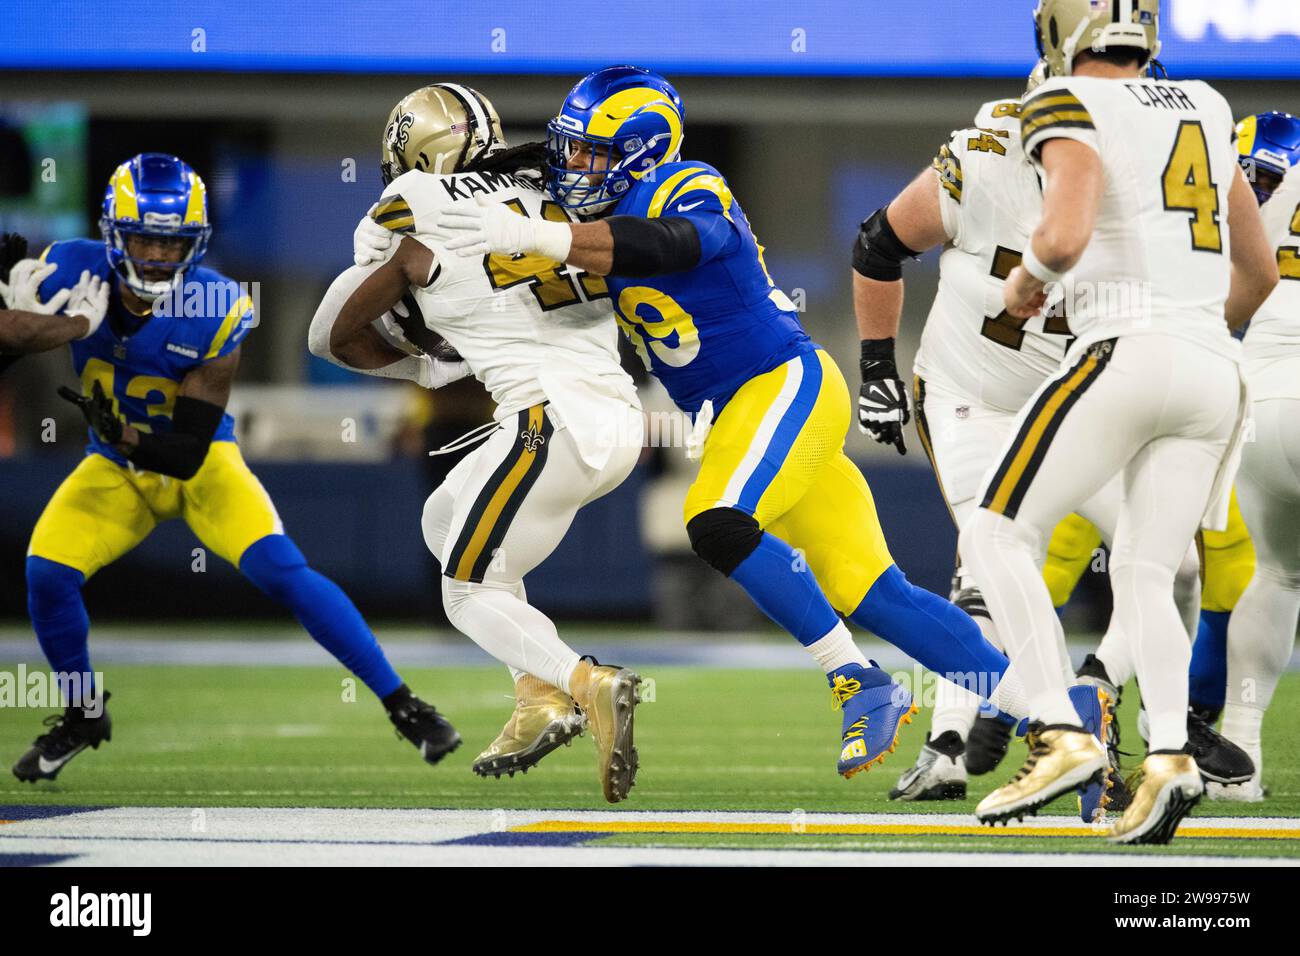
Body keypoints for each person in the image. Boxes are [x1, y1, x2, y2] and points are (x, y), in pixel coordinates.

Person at [432, 65, 1111, 781]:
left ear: (640, 150)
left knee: (717, 521)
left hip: (786, 383)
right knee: (876, 593)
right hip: (737, 412)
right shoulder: (585, 203)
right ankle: (1060, 719)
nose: (574, 166)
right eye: (571, 149)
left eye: (591, 152)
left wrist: (539, 237)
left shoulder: (685, 183)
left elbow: (671, 245)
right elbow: (530, 175)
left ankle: (858, 680)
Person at [9, 153, 460, 784]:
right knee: (46, 575)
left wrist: (127, 434)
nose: (156, 258)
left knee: (283, 572)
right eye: (142, 239)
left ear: (194, 247)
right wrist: (55, 326)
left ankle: (403, 704)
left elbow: (188, 450)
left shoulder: (213, 304)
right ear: (112, 234)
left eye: (171, 245)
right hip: (114, 465)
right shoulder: (72, 269)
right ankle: (84, 714)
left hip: (198, 467)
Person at [959, 0, 1279, 843]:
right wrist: (1195, 327)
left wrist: (1027, 281)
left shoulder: (1062, 99)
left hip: (1125, 347)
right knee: (1145, 570)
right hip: (1215, 366)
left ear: (1059, 33)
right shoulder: (1209, 104)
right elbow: (1256, 270)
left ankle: (1062, 732)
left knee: (995, 531)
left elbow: (1063, 235)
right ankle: (1171, 756)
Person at [320, 84, 646, 803]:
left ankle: (588, 682)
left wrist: (425, 362)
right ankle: (538, 694)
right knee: (444, 520)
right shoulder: (552, 181)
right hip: (616, 415)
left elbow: (328, 334)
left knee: (466, 592)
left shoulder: (413, 200)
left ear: (419, 152)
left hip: (546, 418)